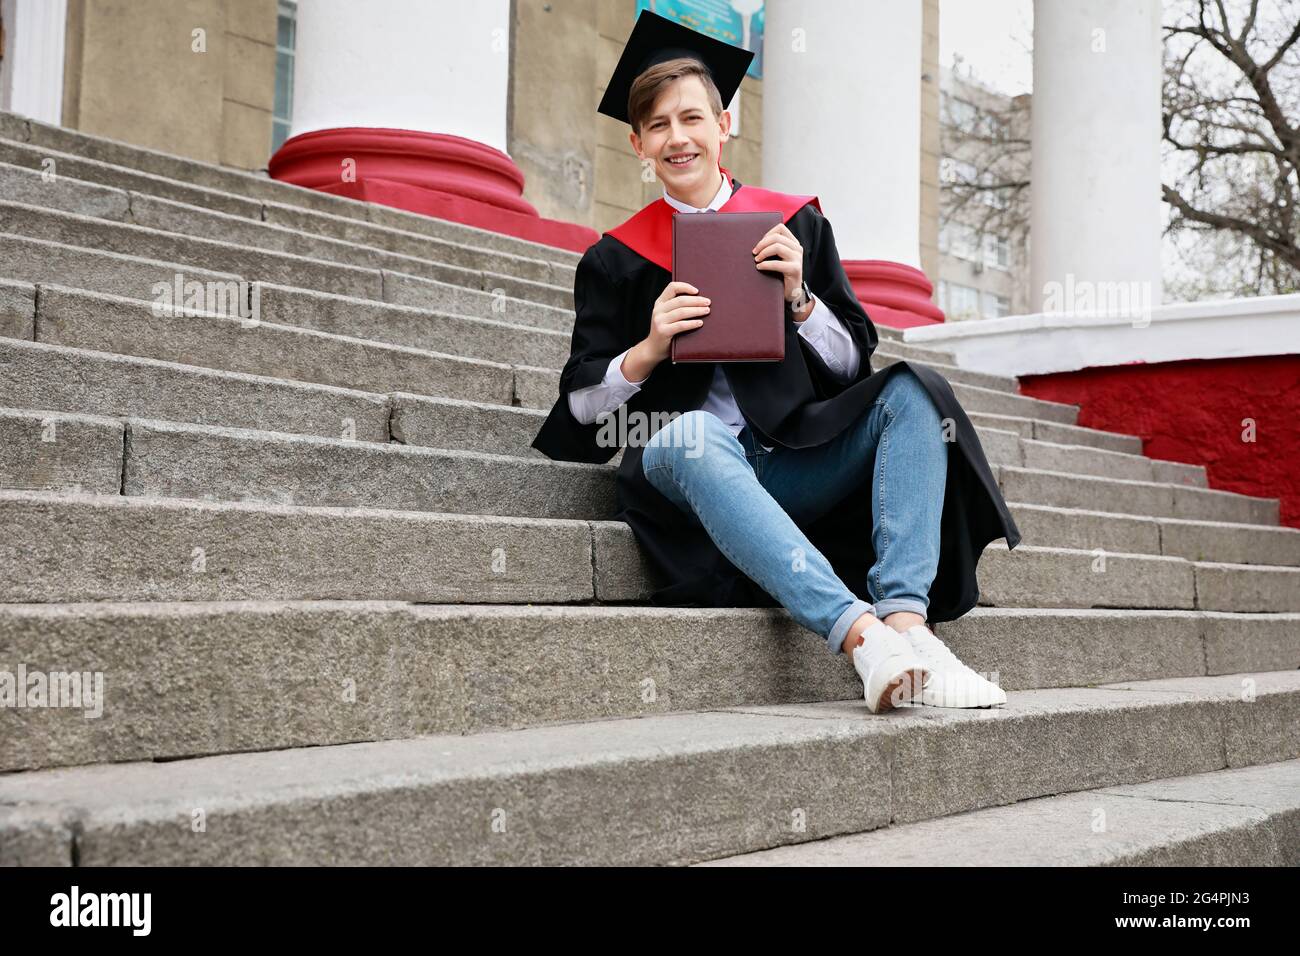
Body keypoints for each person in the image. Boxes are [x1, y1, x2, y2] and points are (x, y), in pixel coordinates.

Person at [532, 10, 1021, 713]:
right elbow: (580, 411)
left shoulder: (794, 225)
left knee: (916, 391)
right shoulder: (616, 259)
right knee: (695, 436)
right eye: (660, 125)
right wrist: (646, 350)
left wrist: (801, 300)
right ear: (639, 143)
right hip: (683, 462)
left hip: (791, 457)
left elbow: (856, 363)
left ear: (723, 125)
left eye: (692, 117)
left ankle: (908, 627)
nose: (679, 137)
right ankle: (862, 640)